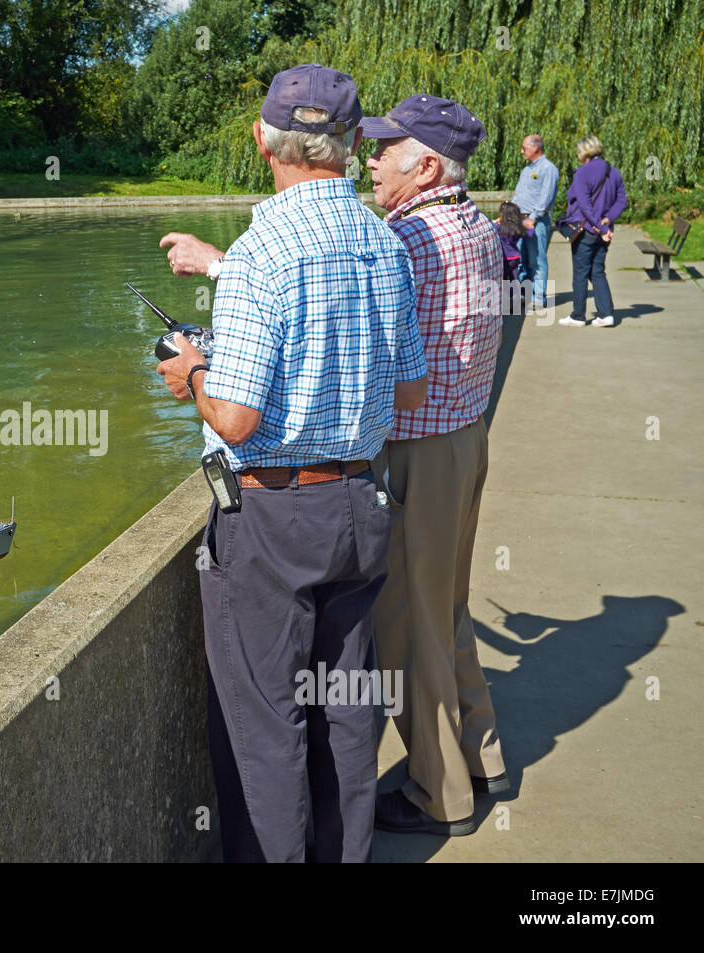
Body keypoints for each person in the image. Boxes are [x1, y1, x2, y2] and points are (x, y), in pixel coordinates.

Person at [156, 64, 428, 863]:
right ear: (349, 143)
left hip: (273, 519)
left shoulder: (257, 250)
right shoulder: (385, 240)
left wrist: (191, 372)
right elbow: (407, 390)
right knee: (346, 706)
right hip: (359, 503)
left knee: (265, 716)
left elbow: (236, 418)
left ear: (261, 142)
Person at [360, 94, 508, 836]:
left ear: (425, 165)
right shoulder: (474, 225)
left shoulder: (409, 239)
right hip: (466, 438)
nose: (370, 157)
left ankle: (438, 793)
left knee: (407, 622)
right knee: (446, 607)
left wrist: (226, 267)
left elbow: (348, 327)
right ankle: (483, 756)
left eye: (386, 148)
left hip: (421, 449)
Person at [558, 136, 627, 328]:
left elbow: (585, 205)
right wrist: (607, 221)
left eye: (578, 152)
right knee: (598, 271)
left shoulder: (582, 173)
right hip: (603, 233)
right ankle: (606, 314)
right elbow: (622, 201)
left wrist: (599, 225)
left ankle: (578, 315)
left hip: (586, 230)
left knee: (580, 272)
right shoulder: (614, 172)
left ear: (585, 152)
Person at [511, 135, 558, 311]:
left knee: (537, 259)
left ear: (536, 148)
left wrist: (533, 217)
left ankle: (539, 297)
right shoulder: (527, 170)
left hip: (535, 222)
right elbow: (519, 195)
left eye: (524, 147)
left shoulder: (548, 169)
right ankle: (526, 293)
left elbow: (546, 196)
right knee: (522, 258)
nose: (522, 151)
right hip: (520, 220)